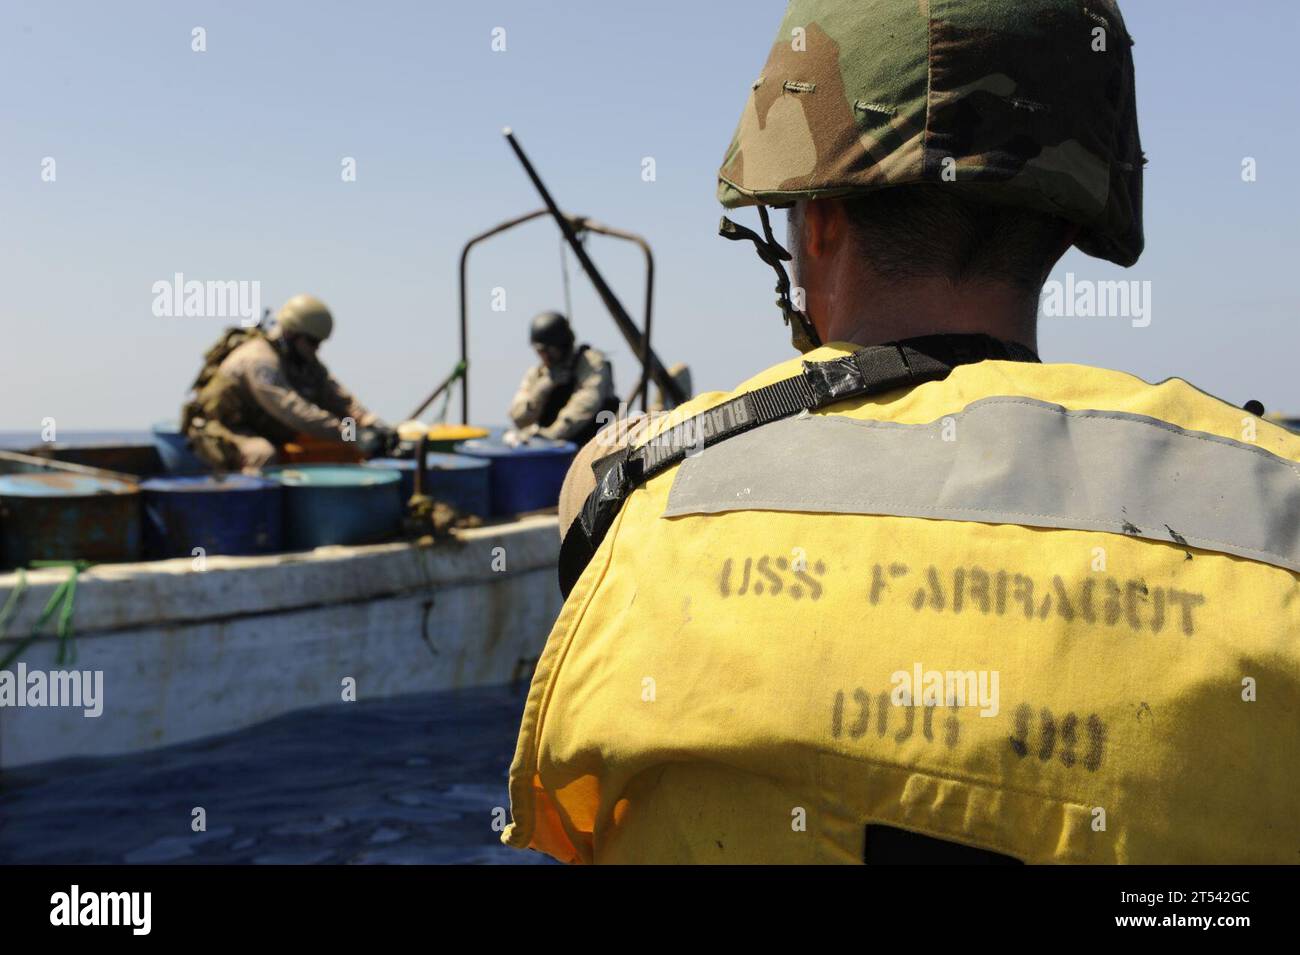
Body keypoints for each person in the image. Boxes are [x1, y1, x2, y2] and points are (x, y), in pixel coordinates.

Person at [503, 0, 1300, 864]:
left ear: (820, 222)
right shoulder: (1276, 511)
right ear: (1068, 225)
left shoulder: (635, 501)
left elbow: (593, 478)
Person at [183, 294, 392, 471]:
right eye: (312, 342)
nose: (317, 349)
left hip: (262, 430)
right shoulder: (259, 360)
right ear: (291, 334)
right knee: (262, 454)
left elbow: (336, 397)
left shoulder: (303, 361)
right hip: (222, 429)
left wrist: (370, 423)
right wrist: (351, 434)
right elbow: (293, 410)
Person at [506, 311, 618, 447]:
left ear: (563, 345)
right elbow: (518, 418)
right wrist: (544, 387)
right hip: (554, 449)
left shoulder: (590, 363)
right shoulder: (538, 374)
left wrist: (551, 435)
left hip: (596, 446)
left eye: (547, 350)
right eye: (539, 351)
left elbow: (585, 404)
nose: (543, 356)